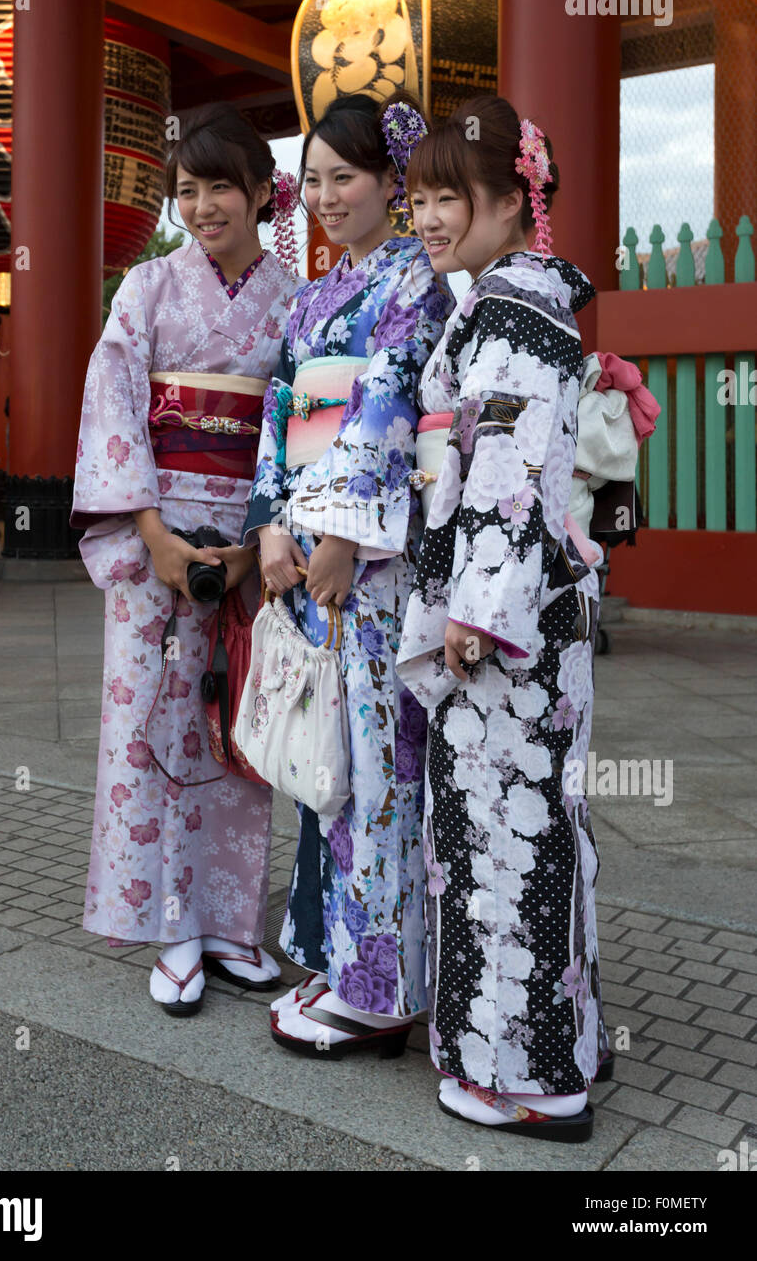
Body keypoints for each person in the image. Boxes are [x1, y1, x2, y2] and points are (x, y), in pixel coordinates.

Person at [396, 95, 610, 1140]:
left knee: (502, 841)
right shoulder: (508, 301)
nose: (427, 216)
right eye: (420, 196)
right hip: (522, 612)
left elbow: (505, 472)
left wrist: (472, 611)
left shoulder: (515, 312)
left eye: (447, 195)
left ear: (512, 198)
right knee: (513, 833)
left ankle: (530, 1077)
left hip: (503, 624)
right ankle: (545, 1046)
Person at [71, 103, 303, 1016]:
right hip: (157, 544)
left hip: (252, 546)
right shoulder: (147, 290)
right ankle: (174, 926)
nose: (203, 206)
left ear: (260, 192)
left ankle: (231, 922)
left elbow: (298, 429)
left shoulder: (294, 300)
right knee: (155, 734)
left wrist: (258, 541)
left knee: (238, 735)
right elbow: (115, 410)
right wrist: (156, 538)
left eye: (221, 187)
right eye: (187, 190)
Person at [244, 92, 454, 1058]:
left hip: (372, 565)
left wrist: (344, 535)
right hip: (312, 549)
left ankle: (379, 995)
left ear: (393, 182)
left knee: (379, 768)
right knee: (329, 759)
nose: (327, 197)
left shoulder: (417, 284)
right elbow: (285, 408)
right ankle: (346, 954)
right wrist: (272, 528)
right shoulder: (318, 294)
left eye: (348, 177)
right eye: (315, 180)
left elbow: (391, 413)